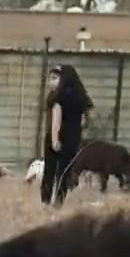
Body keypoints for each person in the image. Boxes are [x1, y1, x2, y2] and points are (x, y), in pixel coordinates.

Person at [40, 64, 92, 206]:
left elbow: (56, 120)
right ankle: (59, 202)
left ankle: (45, 202)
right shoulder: (80, 98)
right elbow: (83, 121)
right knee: (64, 173)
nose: (51, 82)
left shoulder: (59, 97)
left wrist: (54, 139)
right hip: (72, 140)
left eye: (56, 78)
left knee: (50, 171)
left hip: (56, 139)